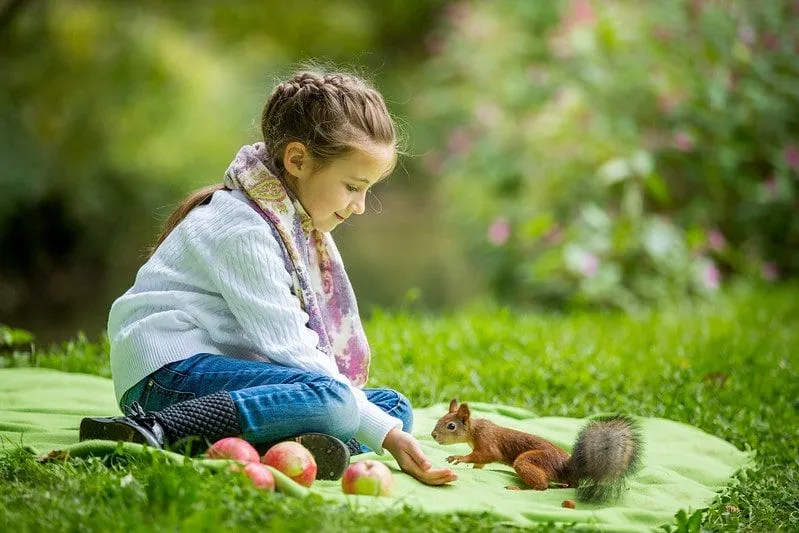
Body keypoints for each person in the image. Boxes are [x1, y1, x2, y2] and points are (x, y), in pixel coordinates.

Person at [79, 69, 457, 486]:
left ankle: (283, 445)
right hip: (165, 378)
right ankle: (156, 430)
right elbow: (292, 349)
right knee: (344, 406)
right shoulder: (243, 230)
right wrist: (381, 433)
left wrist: (384, 427)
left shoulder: (289, 221)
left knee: (393, 406)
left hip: (220, 374)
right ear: (297, 160)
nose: (361, 206)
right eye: (352, 186)